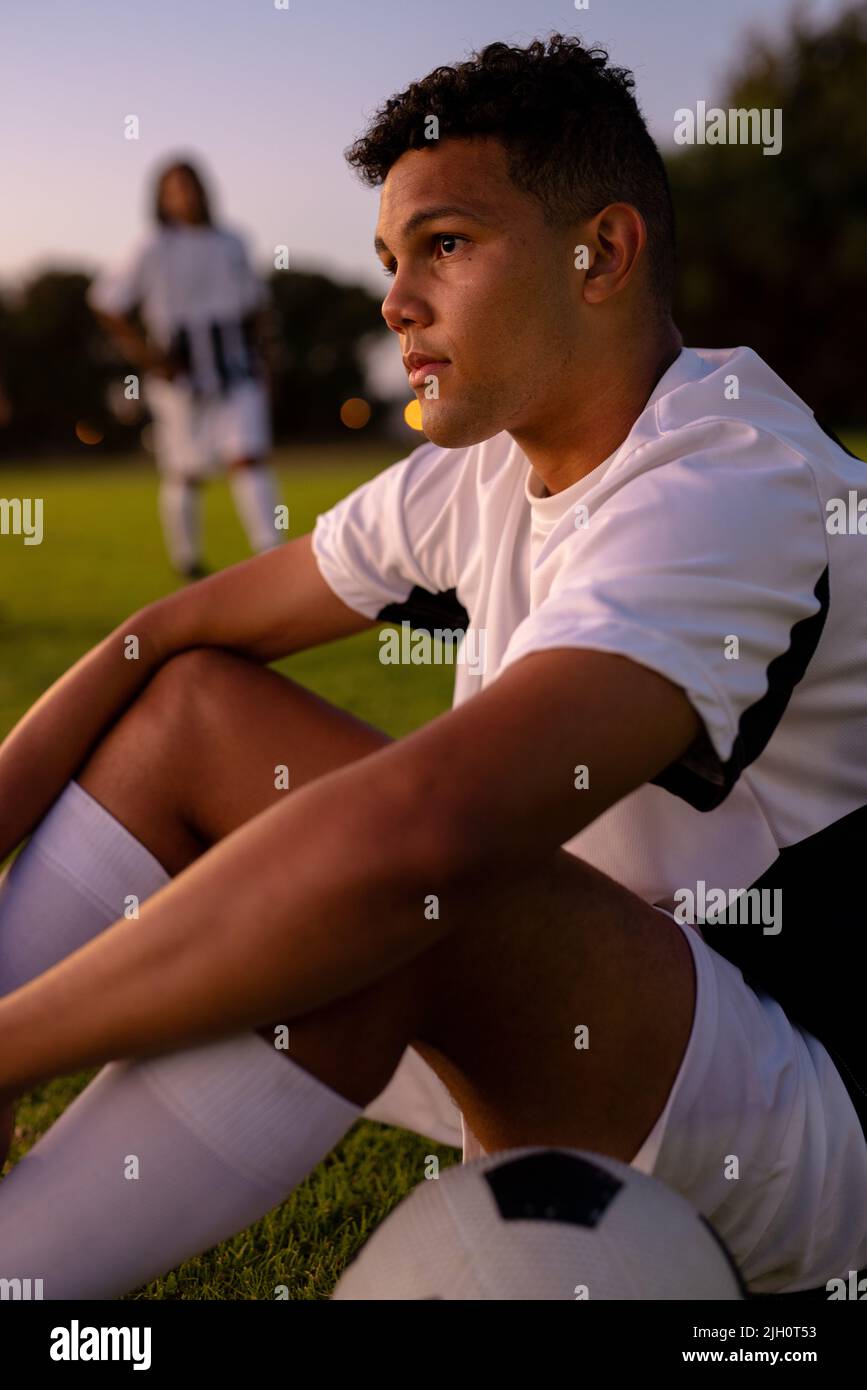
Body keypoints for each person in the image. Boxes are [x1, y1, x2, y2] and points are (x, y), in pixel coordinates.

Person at [1, 33, 866, 1301]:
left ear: (604, 253)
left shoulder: (735, 476)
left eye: (446, 245)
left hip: (793, 1113)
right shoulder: (479, 466)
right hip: (574, 1004)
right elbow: (161, 639)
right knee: (198, 712)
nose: (397, 300)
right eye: (390, 261)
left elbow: (424, 832)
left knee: (396, 892)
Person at [87, 157, 283, 580]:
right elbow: (106, 300)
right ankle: (188, 558)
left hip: (236, 366)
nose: (185, 196)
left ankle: (271, 553)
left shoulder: (232, 240)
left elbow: (255, 306)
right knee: (186, 470)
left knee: (247, 455)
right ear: (161, 198)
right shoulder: (152, 245)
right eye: (174, 189)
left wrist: (265, 360)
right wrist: (148, 356)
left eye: (190, 185)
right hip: (180, 373)